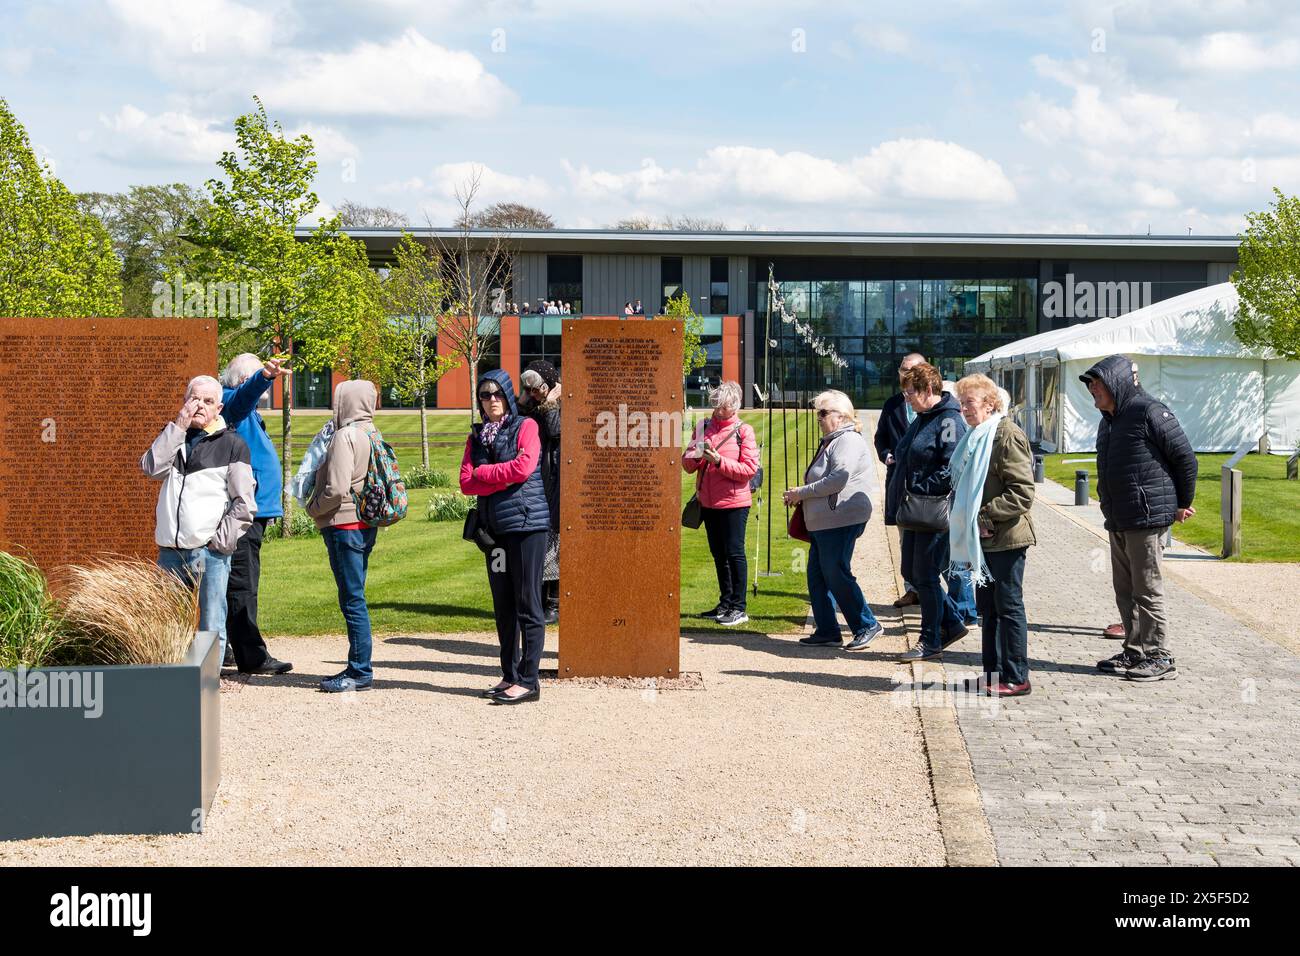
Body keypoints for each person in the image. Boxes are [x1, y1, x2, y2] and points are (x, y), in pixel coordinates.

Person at [1081, 355, 1197, 682]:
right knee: (1124, 588)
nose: (1092, 389)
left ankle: (1159, 655)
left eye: (1097, 382)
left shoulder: (1148, 411)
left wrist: (1182, 502)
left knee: (1146, 589)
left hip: (1146, 518)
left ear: (1116, 381)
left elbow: (1185, 458)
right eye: (1089, 384)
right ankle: (1134, 650)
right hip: (1119, 517)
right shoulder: (1109, 419)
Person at [140, 375, 255, 667]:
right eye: (194, 399)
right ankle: (174, 676)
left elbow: (244, 503)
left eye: (207, 401)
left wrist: (220, 542)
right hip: (170, 551)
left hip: (209, 551)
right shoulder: (173, 439)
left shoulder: (232, 444)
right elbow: (151, 468)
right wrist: (177, 426)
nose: (200, 406)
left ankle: (205, 683)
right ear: (184, 401)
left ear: (219, 407)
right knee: (167, 619)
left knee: (211, 622)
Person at [460, 370, 549, 704]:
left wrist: (486, 475)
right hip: (493, 531)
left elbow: (524, 468)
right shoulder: (477, 435)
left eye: (497, 393)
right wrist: (498, 477)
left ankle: (529, 680)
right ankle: (509, 674)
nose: (491, 400)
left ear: (508, 395)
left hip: (526, 527)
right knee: (504, 606)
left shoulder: (525, 426)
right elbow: (467, 482)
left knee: (528, 604)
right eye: (485, 395)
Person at [951, 374, 1036, 697]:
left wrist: (982, 515)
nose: (964, 410)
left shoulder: (1006, 435)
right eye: (961, 404)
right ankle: (992, 673)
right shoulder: (977, 436)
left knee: (1008, 606)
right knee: (989, 609)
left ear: (990, 404)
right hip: (982, 539)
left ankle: (1016, 676)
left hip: (1006, 537)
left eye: (969, 403)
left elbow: (1022, 492)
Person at [783, 390, 881, 649]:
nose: (819, 417)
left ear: (842, 416)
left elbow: (839, 479)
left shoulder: (846, 440)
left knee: (836, 573)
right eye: (818, 413)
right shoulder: (832, 440)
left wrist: (800, 493)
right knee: (818, 576)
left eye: (824, 412)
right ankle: (827, 630)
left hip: (840, 519)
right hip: (825, 522)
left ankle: (866, 624)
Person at [887, 362, 970, 662]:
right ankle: (952, 622)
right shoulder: (923, 418)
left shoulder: (948, 420)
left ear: (928, 390)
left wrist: (922, 486)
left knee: (926, 575)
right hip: (915, 509)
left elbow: (952, 465)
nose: (907, 398)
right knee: (911, 571)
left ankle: (930, 638)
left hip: (933, 509)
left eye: (910, 392)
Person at [218, 353, 294, 676]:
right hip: (243, 513)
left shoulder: (246, 412)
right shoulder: (232, 402)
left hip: (253, 512)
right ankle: (251, 656)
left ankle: (225, 649)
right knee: (242, 583)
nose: (262, 396)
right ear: (242, 381)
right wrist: (263, 376)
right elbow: (242, 398)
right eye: (257, 385)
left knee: (234, 581)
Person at [306, 380, 384, 693]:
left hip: (343, 523)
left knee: (352, 600)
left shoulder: (345, 435)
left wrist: (314, 508)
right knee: (356, 596)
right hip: (365, 523)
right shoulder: (371, 432)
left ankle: (359, 671)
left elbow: (336, 489)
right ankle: (357, 664)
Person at [683, 381, 759, 626]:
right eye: (715, 405)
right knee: (718, 555)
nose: (717, 411)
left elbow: (749, 470)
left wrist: (718, 461)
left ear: (734, 406)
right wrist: (695, 455)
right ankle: (725, 603)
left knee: (735, 553)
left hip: (735, 503)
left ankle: (739, 606)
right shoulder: (703, 426)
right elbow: (686, 464)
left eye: (722, 407)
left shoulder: (743, 431)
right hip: (708, 502)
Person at [877, 352, 925, 608]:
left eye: (911, 369)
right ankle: (912, 589)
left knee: (929, 539)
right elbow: (880, 437)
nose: (906, 373)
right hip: (900, 482)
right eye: (902, 369)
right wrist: (886, 455)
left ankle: (932, 590)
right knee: (905, 538)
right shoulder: (892, 404)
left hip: (927, 487)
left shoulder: (934, 406)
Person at [519, 360, 562, 624]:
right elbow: (516, 421)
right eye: (529, 389)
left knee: (554, 540)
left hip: (556, 478)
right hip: (539, 478)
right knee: (542, 539)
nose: (533, 394)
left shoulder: (559, 402)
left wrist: (550, 403)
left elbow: (556, 430)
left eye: (536, 389)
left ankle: (554, 602)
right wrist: (525, 399)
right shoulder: (534, 405)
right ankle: (541, 600)